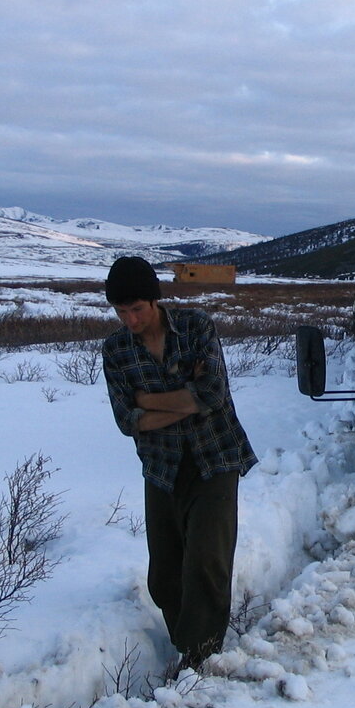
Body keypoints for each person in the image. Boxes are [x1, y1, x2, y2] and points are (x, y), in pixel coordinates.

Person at [101, 256, 257, 671]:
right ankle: (185, 640)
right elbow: (126, 421)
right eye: (121, 312)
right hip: (162, 466)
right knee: (165, 576)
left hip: (215, 458)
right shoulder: (116, 350)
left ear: (155, 301)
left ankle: (200, 658)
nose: (130, 319)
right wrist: (181, 400)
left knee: (206, 562)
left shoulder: (195, 328)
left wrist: (146, 400)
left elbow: (210, 395)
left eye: (137, 309)